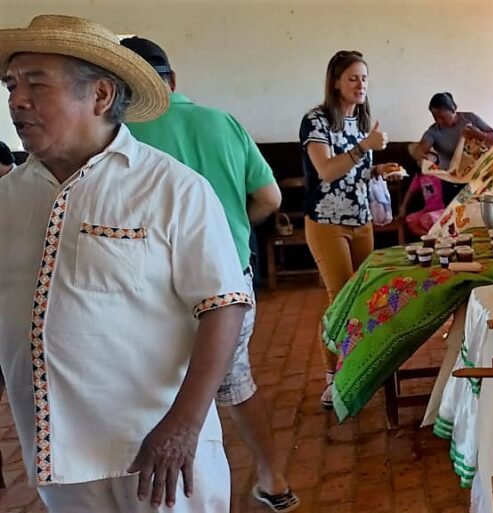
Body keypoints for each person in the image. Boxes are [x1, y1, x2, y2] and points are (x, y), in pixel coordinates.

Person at [0, 15, 250, 511]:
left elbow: (224, 306)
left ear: (100, 95)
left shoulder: (172, 189)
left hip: (157, 455)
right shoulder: (8, 198)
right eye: (11, 85)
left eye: (36, 84)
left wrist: (183, 426)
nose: (17, 101)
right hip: (57, 456)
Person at [121, 36, 299, 512]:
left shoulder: (118, 135)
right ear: (173, 80)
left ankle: (166, 493)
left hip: (152, 289)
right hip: (230, 280)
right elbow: (271, 199)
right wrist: (230, 229)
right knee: (234, 384)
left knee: (157, 385)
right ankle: (273, 478)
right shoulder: (222, 122)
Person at [299, 50, 390, 408]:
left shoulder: (362, 121)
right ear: (335, 82)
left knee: (365, 297)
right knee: (340, 299)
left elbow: (355, 171)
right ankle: (332, 378)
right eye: (353, 78)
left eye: (364, 78)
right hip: (326, 223)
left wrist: (379, 171)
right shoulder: (316, 121)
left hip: (360, 220)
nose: (360, 84)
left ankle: (360, 367)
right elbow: (326, 171)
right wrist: (364, 147)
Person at [410, 92, 493, 171]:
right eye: (435, 118)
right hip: (453, 174)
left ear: (453, 109)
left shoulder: (470, 118)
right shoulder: (434, 131)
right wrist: (424, 158)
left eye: (442, 117)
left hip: (479, 168)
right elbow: (419, 150)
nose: (438, 121)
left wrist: (479, 134)